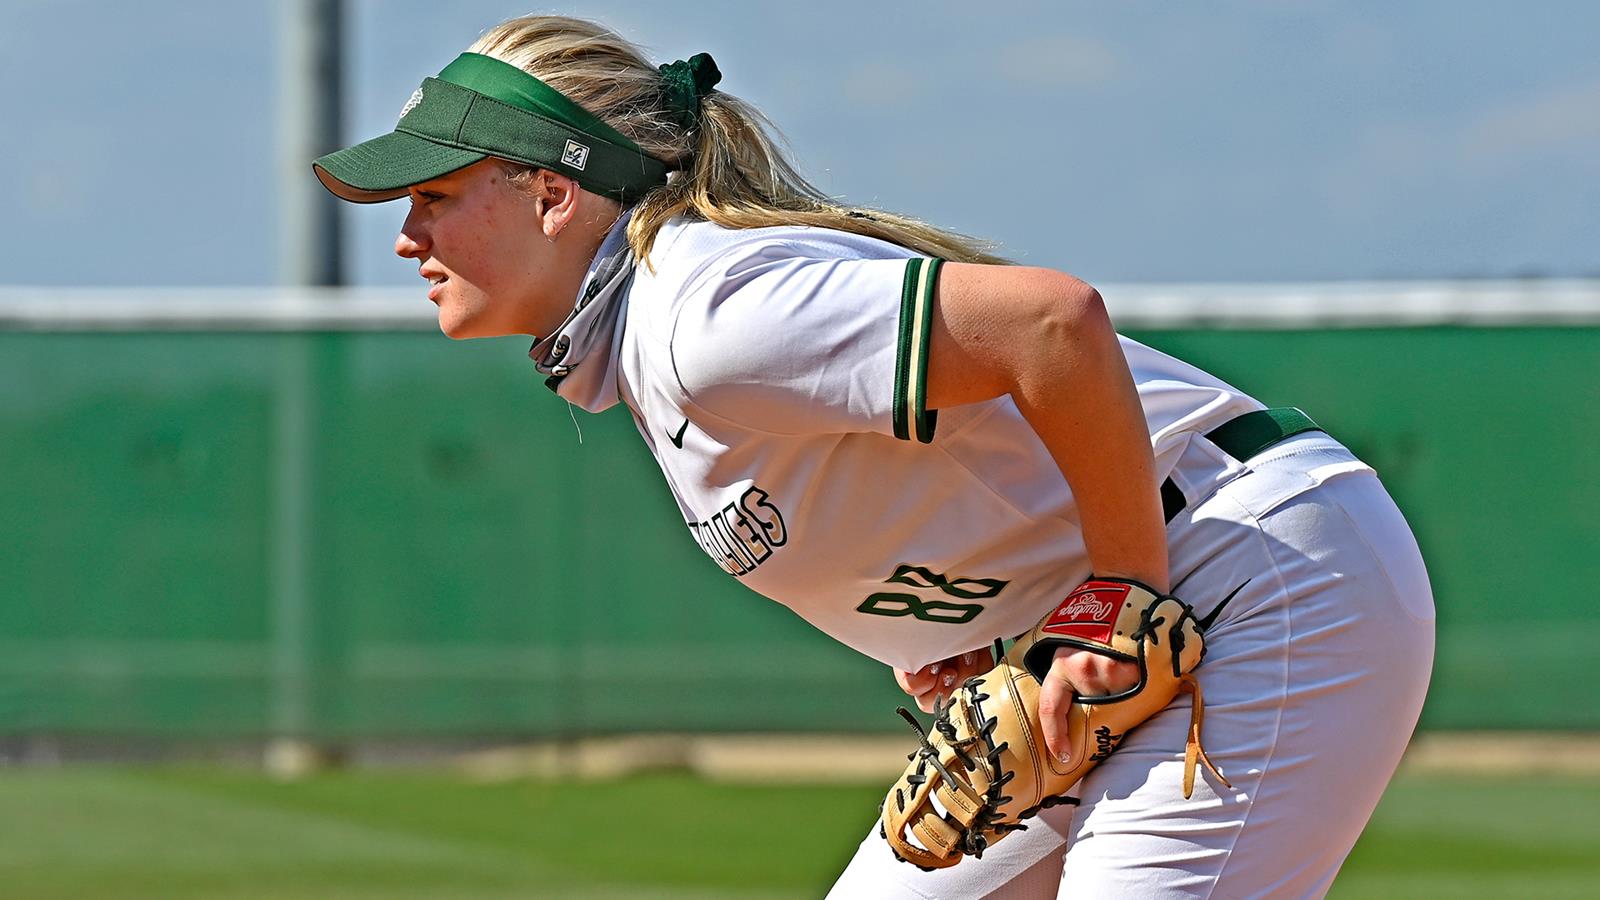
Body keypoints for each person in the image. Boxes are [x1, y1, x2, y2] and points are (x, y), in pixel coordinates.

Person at [312, 15, 1435, 898]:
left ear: (552, 192)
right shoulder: (657, 337)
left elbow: (1053, 327)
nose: (408, 234)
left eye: (437, 195)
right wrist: (980, 630)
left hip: (1264, 571)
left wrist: (1116, 596)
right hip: (1138, 596)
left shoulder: (702, 315)